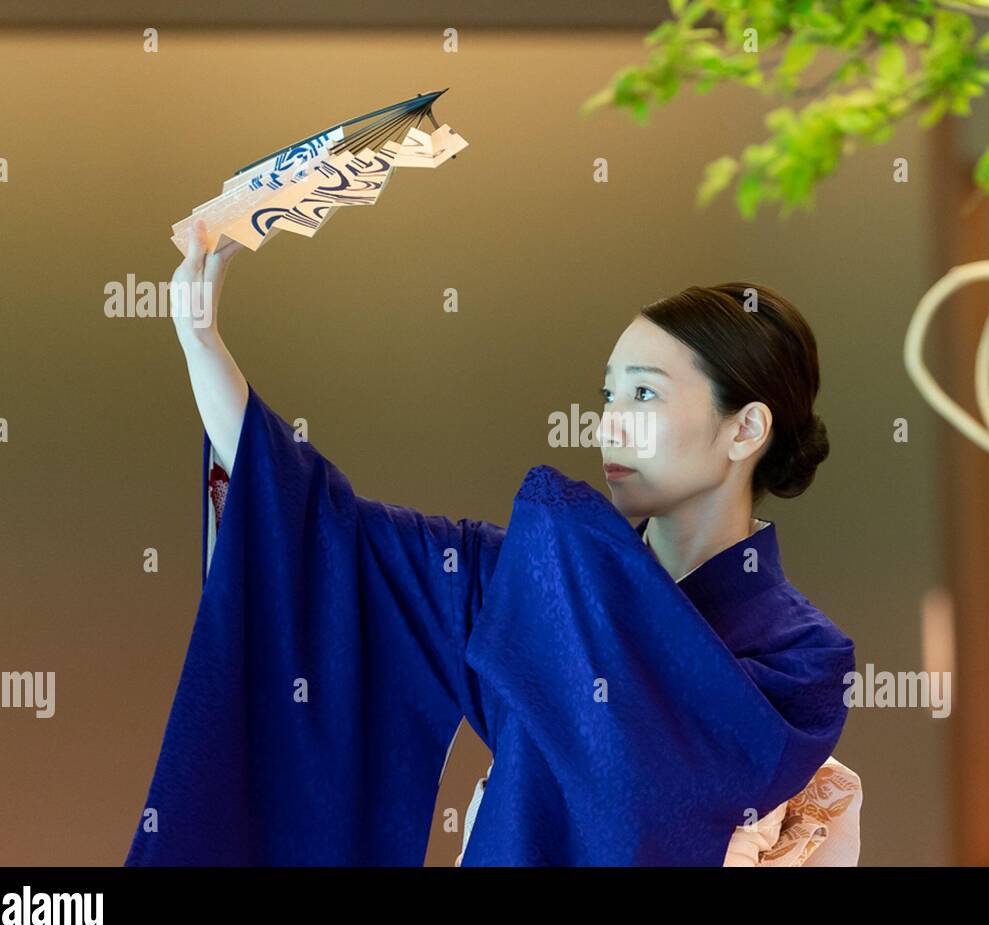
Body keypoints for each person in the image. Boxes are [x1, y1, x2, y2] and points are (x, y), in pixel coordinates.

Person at [126, 218, 855, 866]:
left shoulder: (801, 660)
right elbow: (324, 531)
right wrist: (201, 340)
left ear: (747, 429)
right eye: (607, 395)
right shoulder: (533, 586)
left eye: (644, 394)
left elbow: (656, 791)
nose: (607, 424)